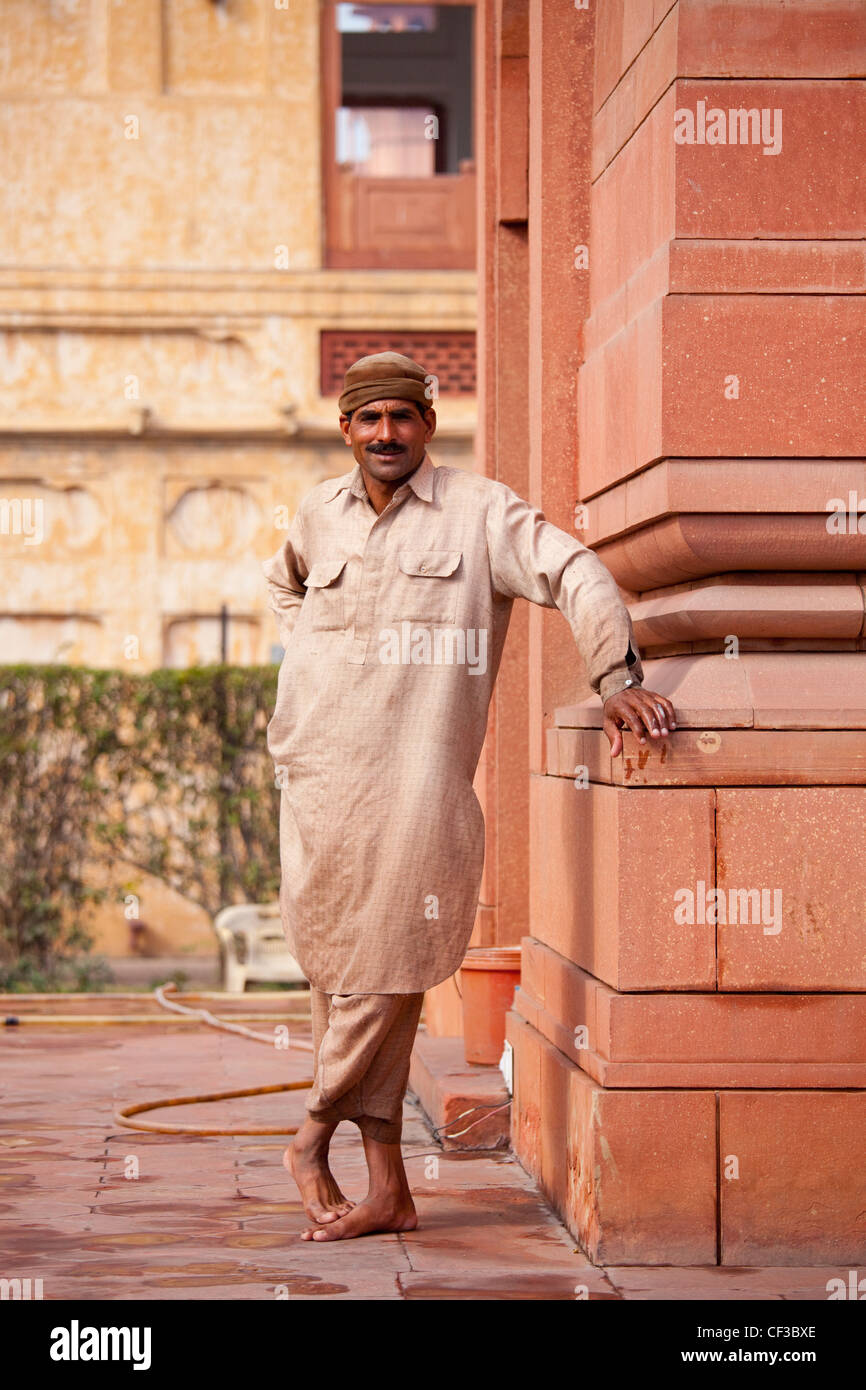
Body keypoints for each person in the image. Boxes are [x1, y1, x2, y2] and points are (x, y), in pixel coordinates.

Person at [261, 351, 676, 1242]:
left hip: (416, 786)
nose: (385, 434)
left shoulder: (481, 514)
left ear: (427, 425)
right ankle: (389, 1190)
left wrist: (615, 675)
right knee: (341, 974)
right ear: (346, 429)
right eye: (368, 419)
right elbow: (282, 581)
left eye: (401, 417)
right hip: (320, 780)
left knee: (391, 962)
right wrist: (318, 668)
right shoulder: (318, 514)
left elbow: (576, 572)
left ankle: (310, 1132)